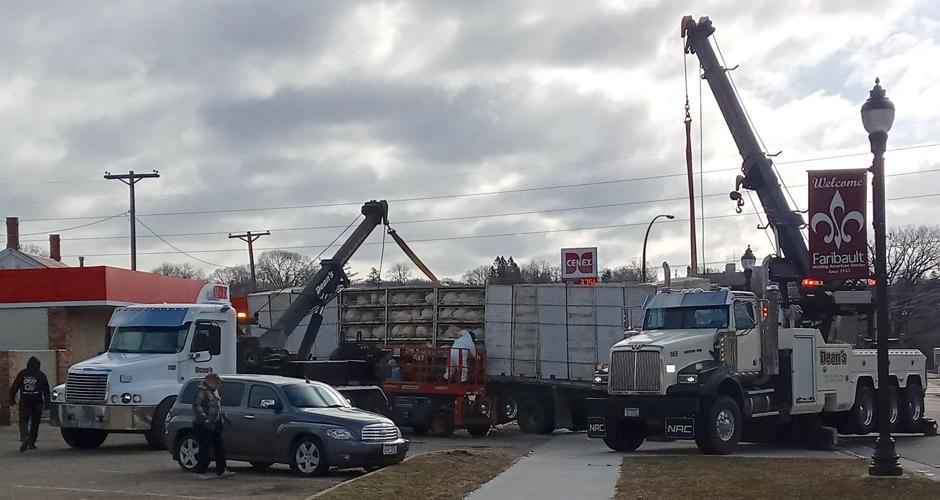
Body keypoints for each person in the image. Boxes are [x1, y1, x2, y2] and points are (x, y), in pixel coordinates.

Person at [192, 372, 234, 478]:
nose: (218, 384)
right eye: (217, 382)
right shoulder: (202, 391)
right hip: (203, 425)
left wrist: (224, 418)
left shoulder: (214, 392)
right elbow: (197, 406)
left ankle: (221, 470)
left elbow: (217, 407)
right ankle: (200, 471)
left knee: (219, 447)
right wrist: (205, 419)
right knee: (204, 448)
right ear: (210, 382)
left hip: (215, 423)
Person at [8, 356, 50, 453]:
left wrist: (12, 399)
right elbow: (46, 391)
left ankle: (24, 437)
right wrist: (47, 404)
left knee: (23, 420)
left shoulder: (22, 374)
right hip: (37, 401)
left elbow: (14, 387)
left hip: (25, 400)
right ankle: (31, 443)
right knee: (35, 423)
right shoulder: (41, 375)